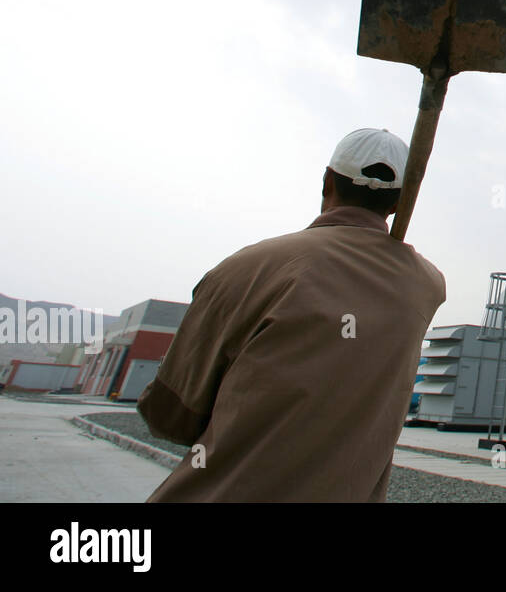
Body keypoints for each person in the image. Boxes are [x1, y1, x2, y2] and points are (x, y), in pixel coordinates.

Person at [137, 128, 446, 501]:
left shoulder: (245, 270)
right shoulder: (426, 286)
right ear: (399, 202)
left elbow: (171, 416)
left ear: (327, 181)